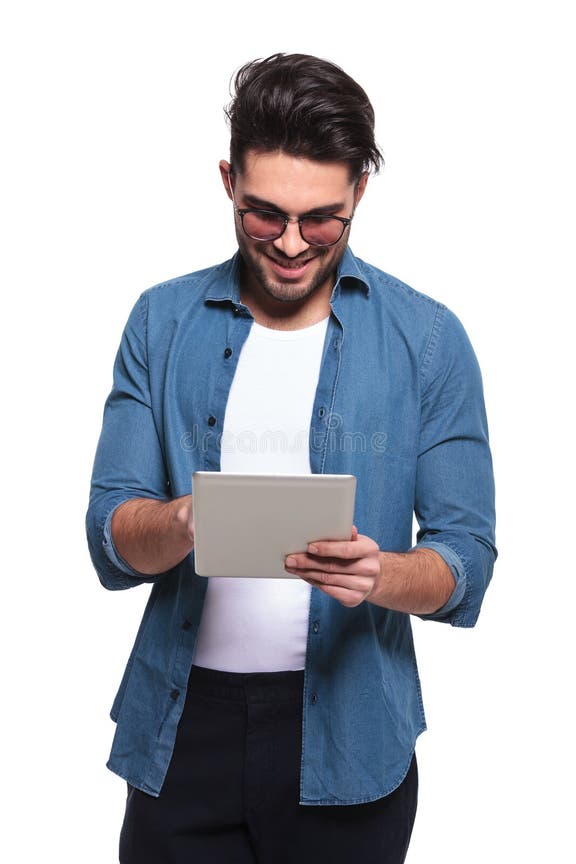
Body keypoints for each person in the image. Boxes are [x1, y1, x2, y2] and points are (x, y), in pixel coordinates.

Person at [86, 53, 496, 864]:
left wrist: (381, 575)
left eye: (322, 220)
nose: (292, 243)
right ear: (229, 182)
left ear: (359, 194)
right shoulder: (161, 322)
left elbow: (468, 559)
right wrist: (185, 521)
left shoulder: (427, 340)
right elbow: (110, 537)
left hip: (353, 733)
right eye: (265, 215)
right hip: (182, 728)